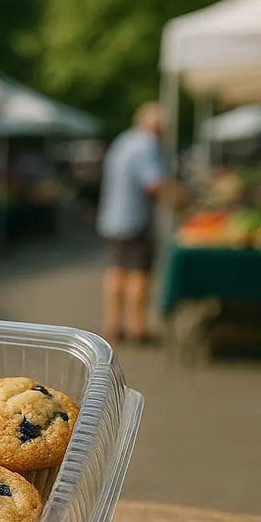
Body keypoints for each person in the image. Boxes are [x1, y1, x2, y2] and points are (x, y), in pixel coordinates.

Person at [97, 102, 168, 344]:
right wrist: (181, 198)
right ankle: (137, 328)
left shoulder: (124, 141)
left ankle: (113, 325)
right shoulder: (147, 145)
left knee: (115, 272)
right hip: (134, 219)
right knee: (138, 274)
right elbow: (154, 184)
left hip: (112, 217)